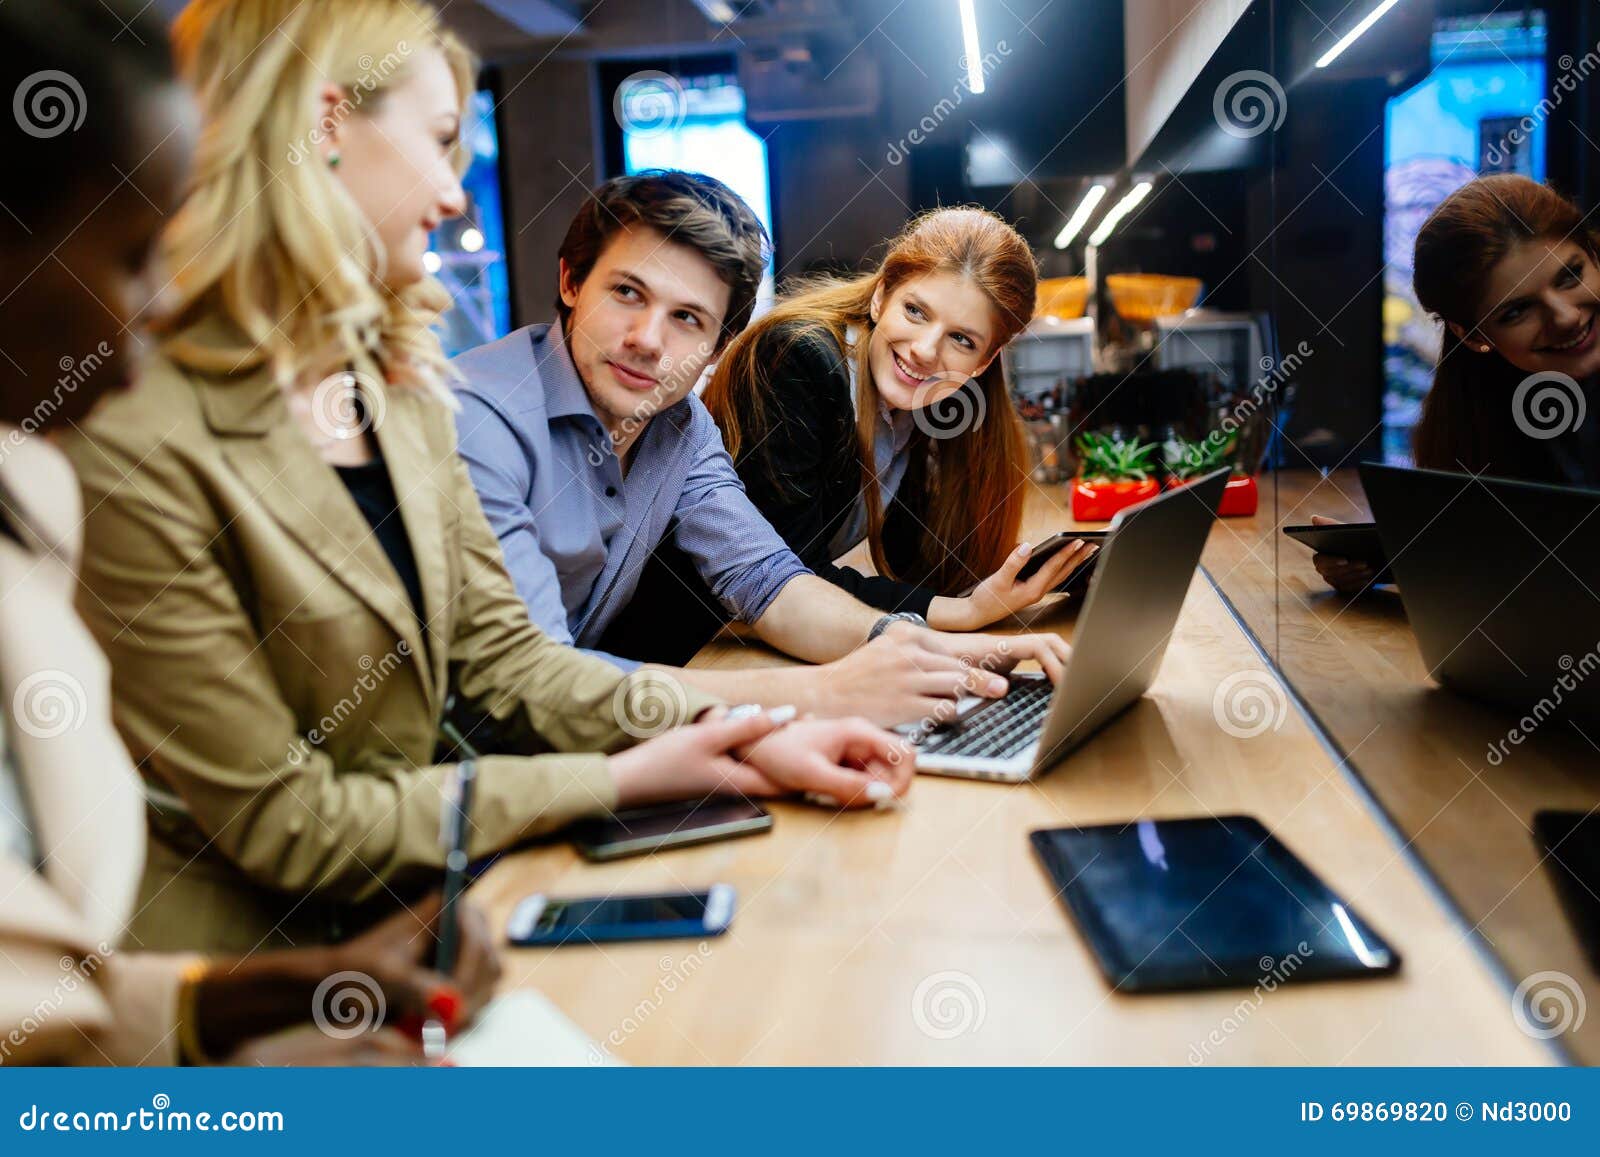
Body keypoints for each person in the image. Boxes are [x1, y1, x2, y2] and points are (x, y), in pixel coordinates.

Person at [60, 0, 907, 957]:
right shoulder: (132, 431)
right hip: (239, 977)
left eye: (687, 319)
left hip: (430, 910)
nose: (455, 193)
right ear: (327, 123)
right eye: (440, 140)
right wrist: (643, 770)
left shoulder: (395, 382)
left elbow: (509, 660)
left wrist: (749, 724)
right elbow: (283, 821)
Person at [0, 0, 498, 1067]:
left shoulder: (27, 503)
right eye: (135, 255)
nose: (155, 314)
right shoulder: (116, 451)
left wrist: (252, 1000)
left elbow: (33, 994)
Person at [451, 173, 1072, 727]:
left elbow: (769, 582)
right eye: (628, 293)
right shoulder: (476, 420)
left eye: (687, 318)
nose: (647, 339)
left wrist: (954, 650)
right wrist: (822, 693)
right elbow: (532, 681)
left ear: (719, 344)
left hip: (586, 734)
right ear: (570, 280)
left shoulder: (681, 425)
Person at [639, 205, 1097, 652]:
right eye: (916, 311)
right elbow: (796, 576)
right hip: (678, 646)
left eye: (961, 339)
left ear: (985, 361)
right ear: (881, 296)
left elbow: (918, 558)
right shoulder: (798, 358)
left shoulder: (919, 403)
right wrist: (962, 612)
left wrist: (1054, 570)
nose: (925, 350)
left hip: (744, 641)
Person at [1313, 175, 1600, 594]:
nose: (1566, 317)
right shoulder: (1485, 416)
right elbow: (1522, 552)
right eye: (1517, 311)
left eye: (1570, 276)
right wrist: (1390, 560)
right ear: (1472, 336)